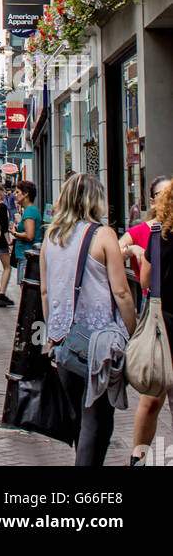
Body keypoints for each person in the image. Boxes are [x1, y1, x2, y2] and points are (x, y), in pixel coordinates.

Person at [40, 173, 136, 468]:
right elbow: (120, 291)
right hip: (98, 343)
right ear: (96, 200)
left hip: (65, 341)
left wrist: (53, 332)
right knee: (97, 421)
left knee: (80, 420)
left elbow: (44, 290)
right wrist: (132, 333)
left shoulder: (51, 236)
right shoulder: (102, 234)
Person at [129, 176, 173, 465]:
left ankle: (138, 458)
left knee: (152, 395)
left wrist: (138, 253)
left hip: (164, 322)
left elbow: (145, 281)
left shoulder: (157, 235)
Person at [120, 175, 171, 276]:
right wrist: (131, 250)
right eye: (162, 194)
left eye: (170, 194)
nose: (167, 199)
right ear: (152, 202)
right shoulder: (139, 231)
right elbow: (112, 255)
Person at [12, 180, 42, 284]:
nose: (15, 195)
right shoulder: (29, 210)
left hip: (27, 255)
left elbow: (29, 236)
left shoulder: (29, 211)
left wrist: (14, 233)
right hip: (25, 255)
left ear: (26, 194)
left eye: (18, 192)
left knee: (25, 290)